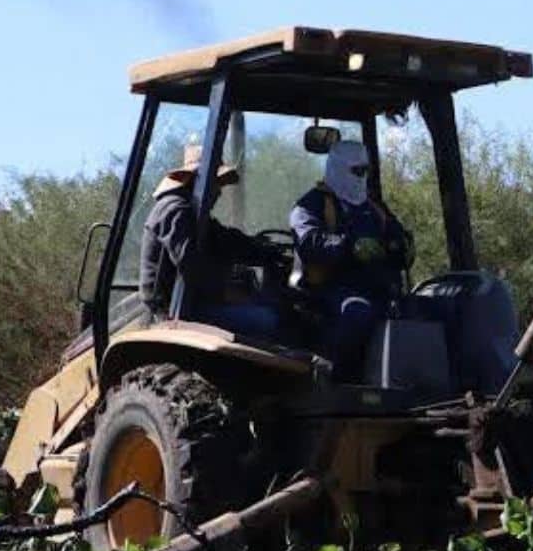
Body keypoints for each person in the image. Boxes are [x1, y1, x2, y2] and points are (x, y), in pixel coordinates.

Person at [289, 139, 413, 381]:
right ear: (338, 168)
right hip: (331, 290)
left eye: (365, 170)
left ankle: (418, 386)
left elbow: (396, 236)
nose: (362, 176)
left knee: (423, 312)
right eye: (356, 171)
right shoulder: (312, 204)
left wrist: (402, 248)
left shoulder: (374, 207)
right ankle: (344, 384)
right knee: (356, 312)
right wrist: (349, 247)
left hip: (380, 290)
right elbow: (308, 242)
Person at [139, 144, 281, 338]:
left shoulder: (191, 213)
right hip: (175, 311)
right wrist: (227, 292)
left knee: (265, 304)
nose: (219, 192)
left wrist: (264, 250)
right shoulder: (174, 210)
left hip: (191, 302)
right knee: (268, 320)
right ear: (198, 181)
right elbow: (192, 266)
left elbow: (225, 239)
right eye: (216, 182)